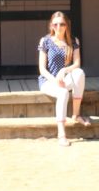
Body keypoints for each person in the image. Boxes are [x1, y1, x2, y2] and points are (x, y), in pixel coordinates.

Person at [37, 11, 88, 146]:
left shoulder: (73, 41)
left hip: (64, 78)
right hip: (48, 81)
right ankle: (61, 134)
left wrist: (64, 70)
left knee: (79, 73)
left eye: (62, 24)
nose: (58, 27)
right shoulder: (45, 41)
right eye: (55, 24)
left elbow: (77, 64)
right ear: (51, 25)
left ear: (67, 25)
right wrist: (55, 80)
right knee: (63, 92)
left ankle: (76, 115)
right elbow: (42, 69)